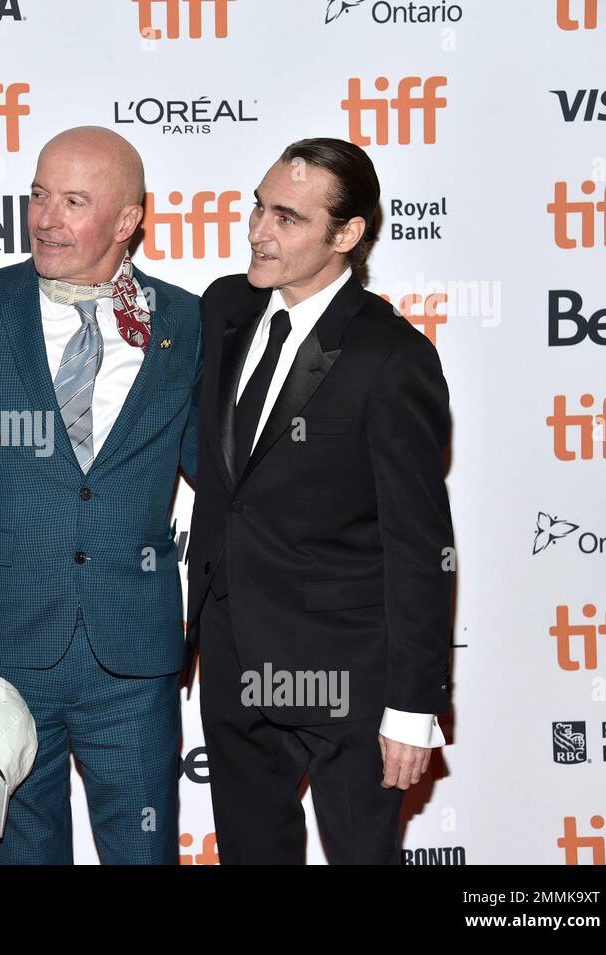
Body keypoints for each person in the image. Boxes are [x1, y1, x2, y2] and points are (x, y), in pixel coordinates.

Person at [0, 126, 203, 864]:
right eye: (39, 194)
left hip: (134, 656)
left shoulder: (187, 322)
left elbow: (226, 479)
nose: (46, 217)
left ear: (128, 219)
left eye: (74, 201)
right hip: (4, 650)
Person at [186, 137, 455, 864]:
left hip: (350, 679)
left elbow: (421, 543)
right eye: (258, 206)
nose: (258, 231)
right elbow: (224, 473)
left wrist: (413, 704)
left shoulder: (391, 357)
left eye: (288, 217)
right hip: (235, 659)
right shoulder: (225, 307)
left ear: (346, 235)